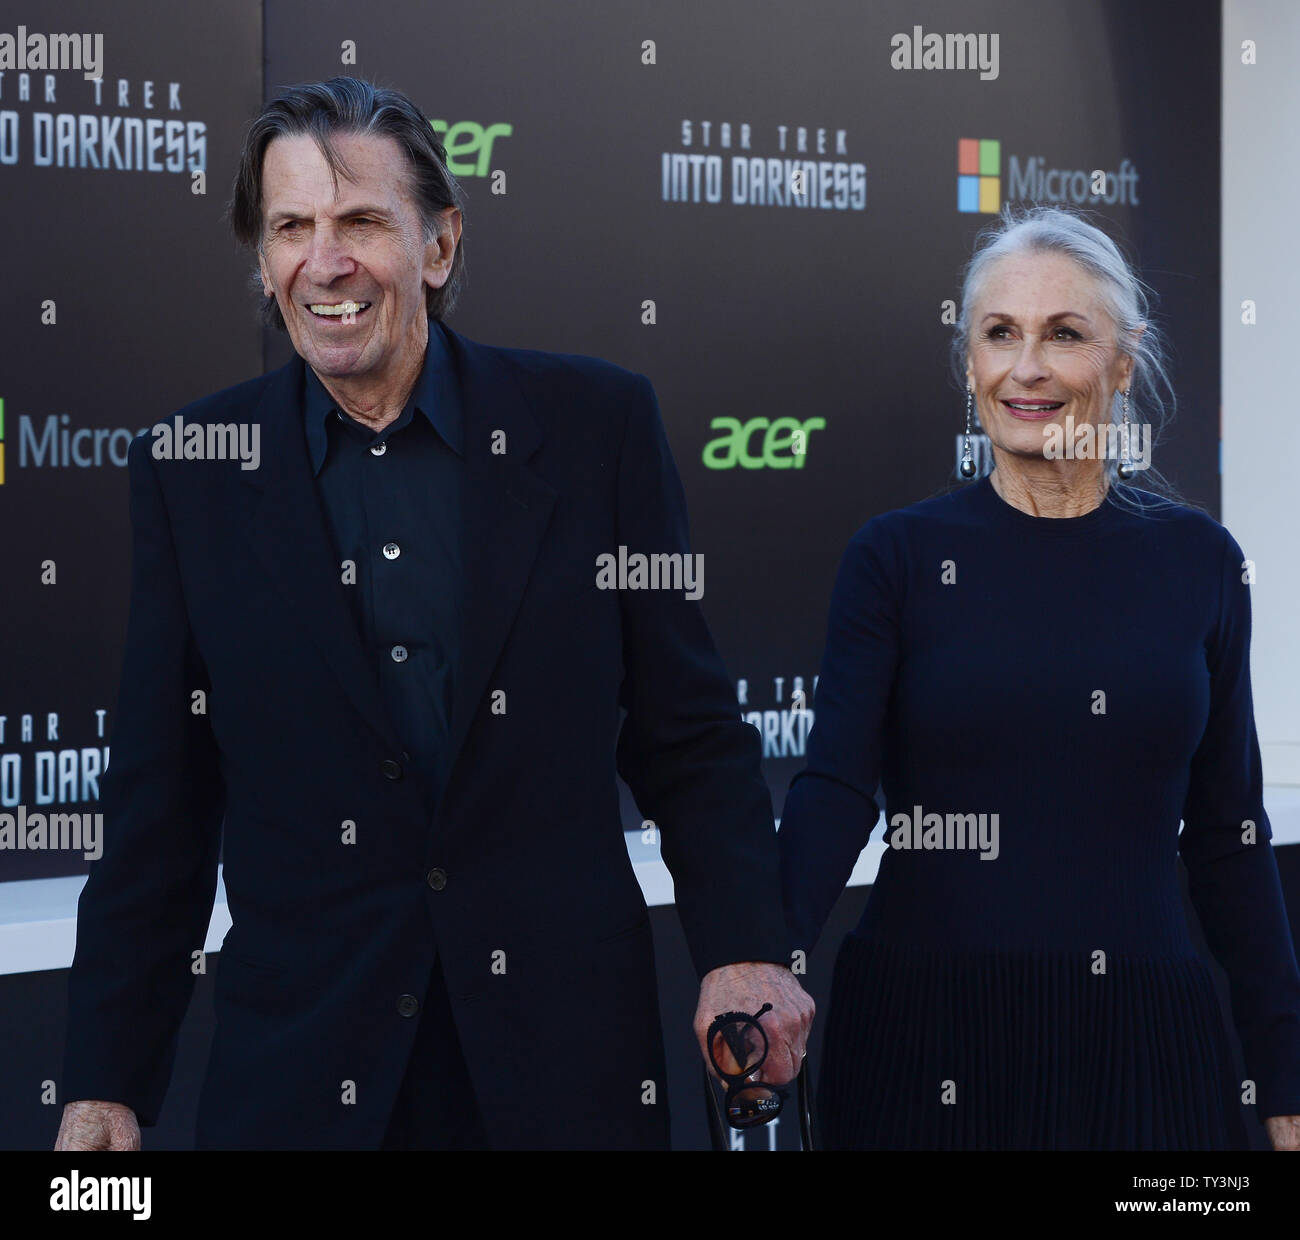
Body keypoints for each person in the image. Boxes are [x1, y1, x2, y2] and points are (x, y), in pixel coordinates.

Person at [56, 76, 812, 1152]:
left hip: (562, 1075)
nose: (327, 261)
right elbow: (157, 809)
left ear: (440, 244)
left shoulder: (594, 429)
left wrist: (745, 949)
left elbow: (686, 734)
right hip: (304, 1082)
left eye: (362, 220)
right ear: (264, 260)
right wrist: (103, 1085)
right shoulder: (194, 470)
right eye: (290, 229)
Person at [779, 205, 1300, 1151]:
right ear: (968, 361)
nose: (1027, 368)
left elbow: (1229, 834)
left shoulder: (1199, 562)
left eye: (1065, 335)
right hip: (923, 1038)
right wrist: (762, 967)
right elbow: (834, 790)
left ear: (1123, 361)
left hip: (1147, 1041)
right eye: (1000, 334)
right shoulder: (896, 557)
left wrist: (1287, 1076)